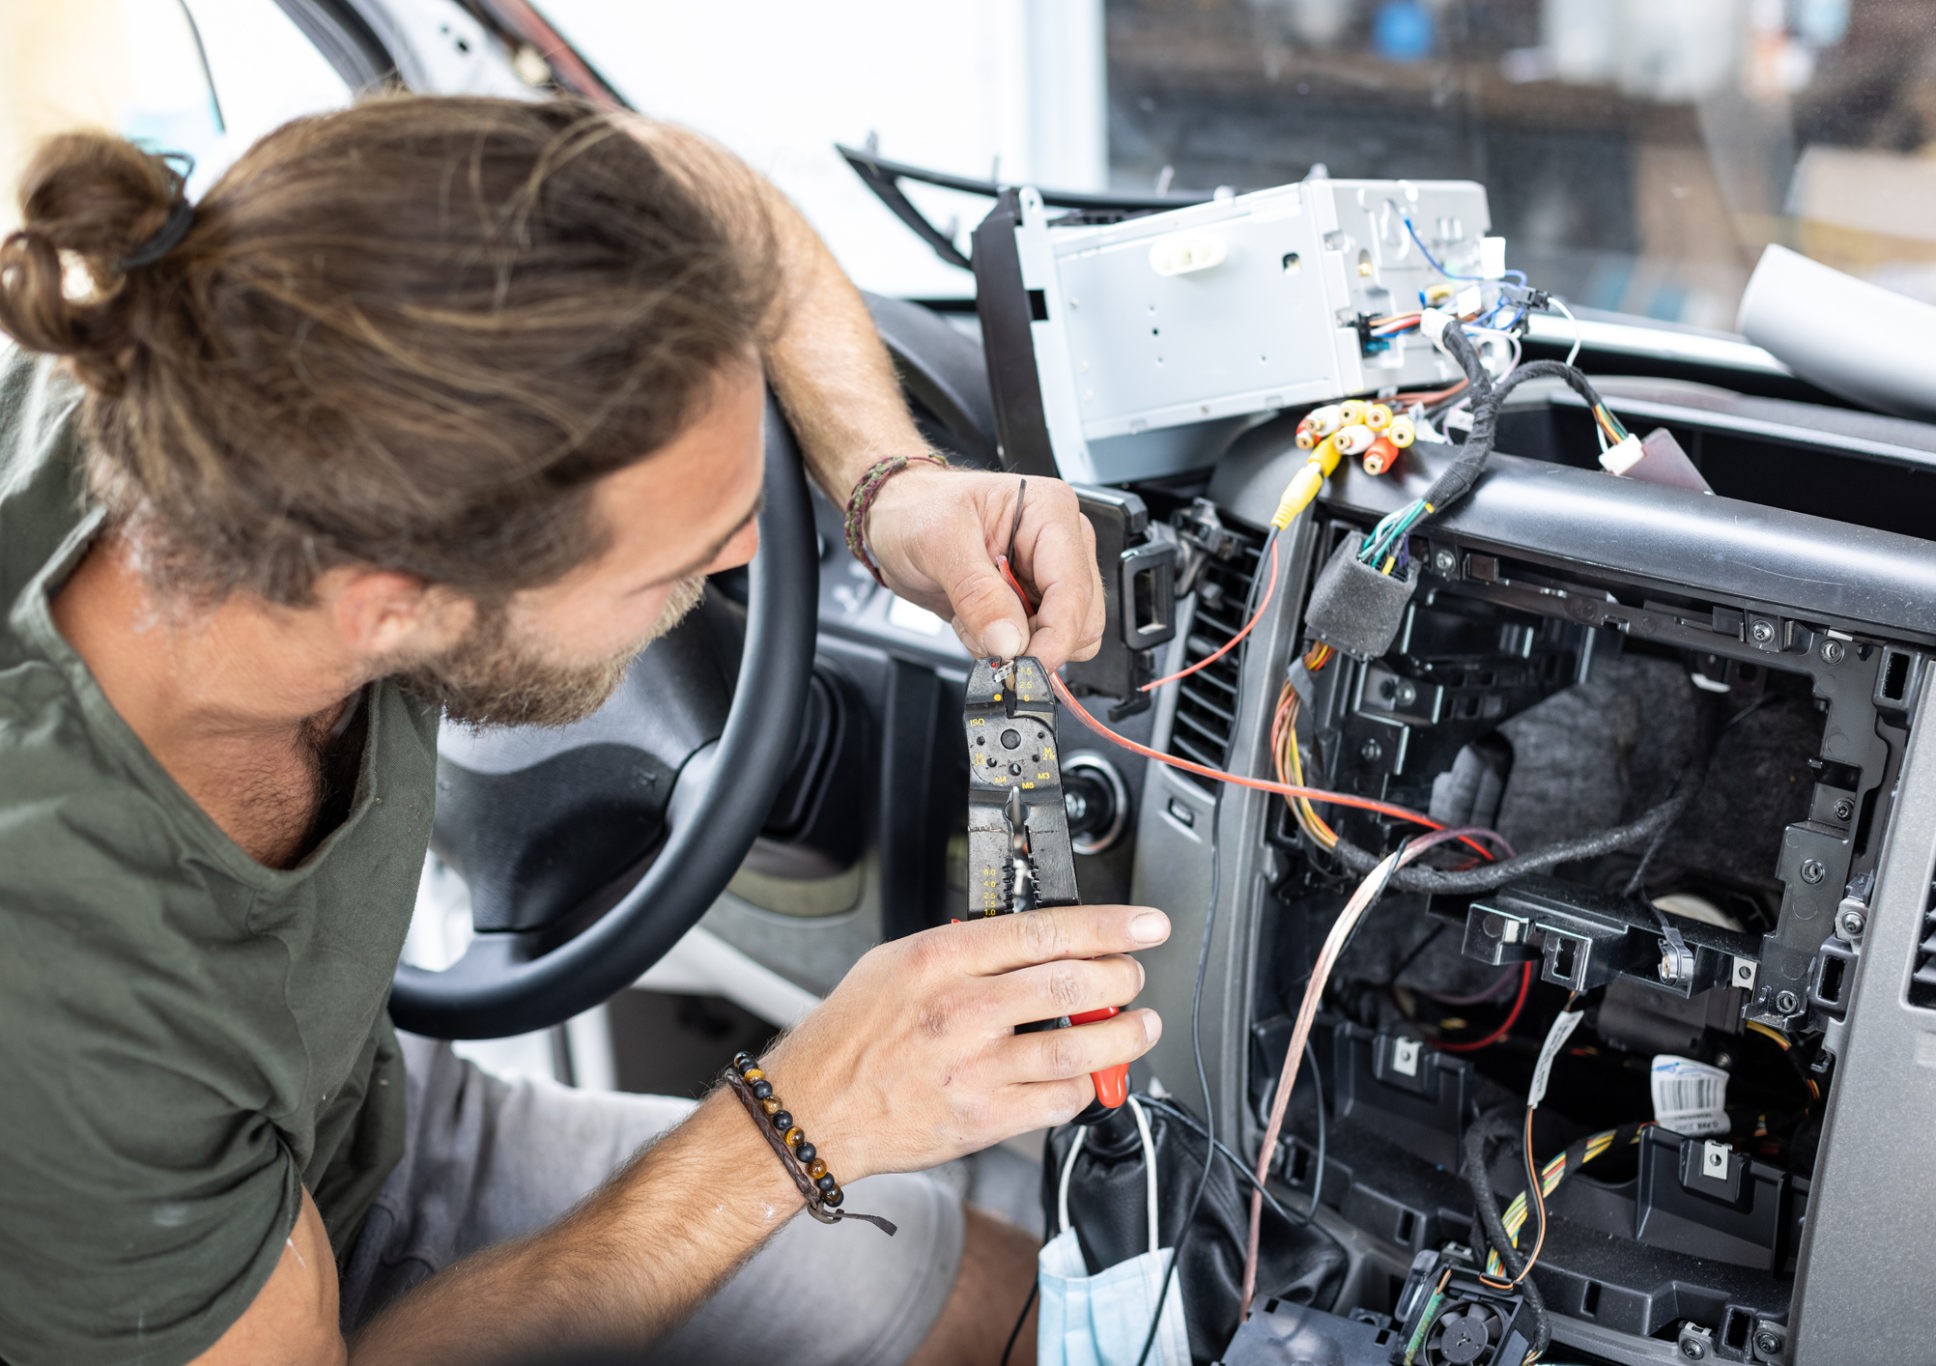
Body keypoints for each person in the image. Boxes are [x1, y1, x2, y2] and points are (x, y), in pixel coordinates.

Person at [0, 95, 1168, 1365]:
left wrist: (889, 485)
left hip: (341, 1125)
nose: (753, 559)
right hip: (176, 1258)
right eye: (685, 558)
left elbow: (724, 220)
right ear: (394, 605)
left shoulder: (255, 340)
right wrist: (806, 1116)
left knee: (997, 1315)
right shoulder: (58, 961)